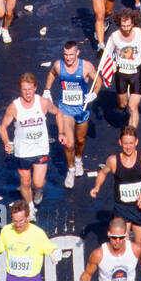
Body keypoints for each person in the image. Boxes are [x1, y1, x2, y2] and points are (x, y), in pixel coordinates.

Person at [90, 126, 141, 281]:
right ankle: (126, 278)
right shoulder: (114, 161)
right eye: (125, 144)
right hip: (121, 208)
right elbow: (103, 173)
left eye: (131, 143)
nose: (128, 147)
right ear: (120, 142)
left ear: (136, 142)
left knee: (140, 247)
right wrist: (96, 187)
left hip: (139, 208)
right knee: (122, 244)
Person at [0, 74, 60, 217]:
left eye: (30, 89)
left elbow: (58, 113)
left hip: (40, 148)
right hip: (23, 151)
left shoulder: (43, 102)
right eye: (24, 90)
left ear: (35, 88)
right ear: (20, 90)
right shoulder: (14, 107)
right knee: (25, 182)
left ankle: (38, 191)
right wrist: (7, 142)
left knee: (37, 183)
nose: (27, 93)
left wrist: (61, 132)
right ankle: (30, 207)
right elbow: (2, 127)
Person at [44, 41, 98, 187]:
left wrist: (94, 94)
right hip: (65, 109)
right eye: (65, 55)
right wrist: (47, 89)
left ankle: (79, 160)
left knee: (80, 140)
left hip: (82, 108)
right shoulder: (58, 65)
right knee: (69, 143)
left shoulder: (86, 66)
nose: (68, 58)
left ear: (77, 53)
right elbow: (51, 73)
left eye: (71, 55)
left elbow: (98, 80)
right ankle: (71, 170)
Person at [103, 7, 141, 128]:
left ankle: (132, 133)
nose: (126, 28)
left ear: (133, 23)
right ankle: (121, 107)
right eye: (123, 26)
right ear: (119, 24)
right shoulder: (114, 37)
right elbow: (108, 54)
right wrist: (110, 64)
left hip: (135, 74)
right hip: (121, 75)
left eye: (128, 25)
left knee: (133, 107)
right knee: (123, 104)